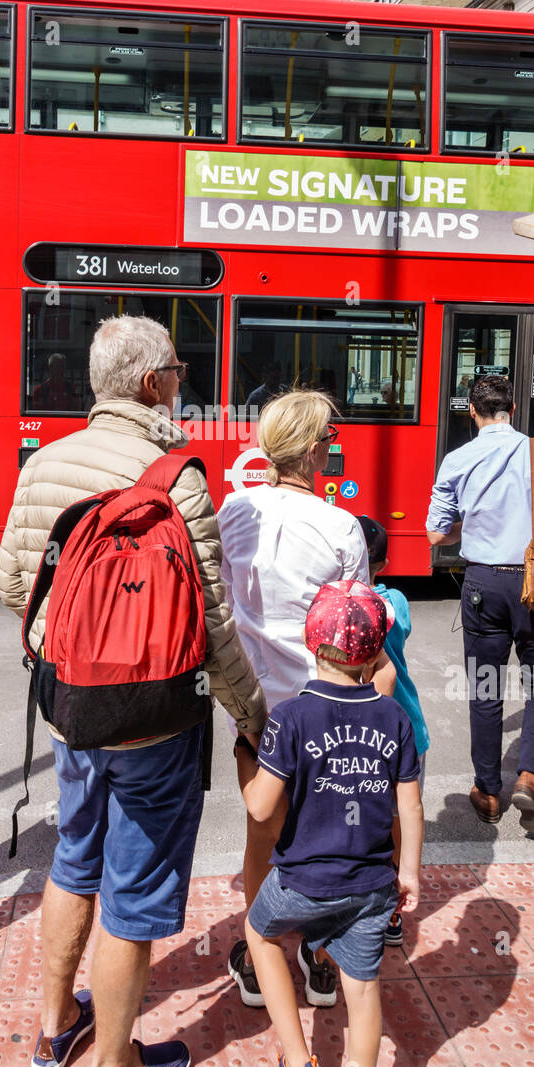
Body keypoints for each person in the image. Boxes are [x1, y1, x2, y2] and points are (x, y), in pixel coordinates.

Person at [0, 314, 266, 1067]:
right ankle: (116, 1063)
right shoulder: (177, 478)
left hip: (72, 711)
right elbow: (214, 625)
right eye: (178, 369)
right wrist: (255, 717)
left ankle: (55, 1031)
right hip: (156, 721)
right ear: (154, 383)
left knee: (74, 858)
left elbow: (15, 582)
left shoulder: (44, 463)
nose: (182, 381)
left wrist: (72, 648)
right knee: (136, 895)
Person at [217, 390, 395, 1010]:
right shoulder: (341, 526)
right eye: (329, 438)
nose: (331, 447)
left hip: (255, 703)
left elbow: (222, 600)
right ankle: (320, 957)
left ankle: (251, 952)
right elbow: (357, 625)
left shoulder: (233, 510)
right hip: (326, 703)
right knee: (327, 833)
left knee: (261, 830)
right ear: (316, 449)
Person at [237, 580, 423, 1067]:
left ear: (308, 640)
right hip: (372, 884)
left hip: (300, 880)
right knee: (362, 989)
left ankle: (300, 1063)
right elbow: (410, 806)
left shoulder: (289, 717)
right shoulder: (394, 718)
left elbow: (259, 809)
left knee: (261, 935)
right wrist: (409, 873)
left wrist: (246, 761)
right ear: (375, 653)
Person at [426, 374, 534, 834]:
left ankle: (487, 792)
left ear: (472, 412)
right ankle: (530, 777)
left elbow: (436, 533)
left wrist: (472, 527)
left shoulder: (457, 459)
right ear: (513, 409)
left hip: (482, 584)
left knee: (484, 687)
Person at [357, 515, 430, 949]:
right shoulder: (394, 597)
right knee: (395, 821)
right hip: (404, 728)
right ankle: (387, 911)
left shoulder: (380, 603)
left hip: (388, 731)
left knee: (382, 822)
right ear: (383, 563)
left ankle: (384, 910)